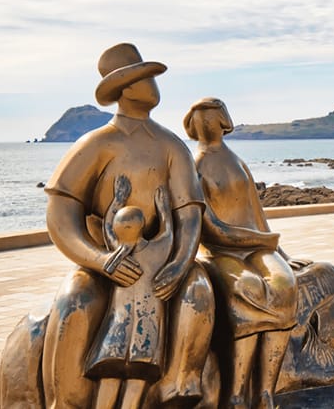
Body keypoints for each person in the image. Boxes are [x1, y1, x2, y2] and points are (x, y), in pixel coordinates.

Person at [41, 43, 214, 409]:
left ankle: (180, 387)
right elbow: (60, 212)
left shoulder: (171, 146)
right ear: (126, 88)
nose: (153, 84)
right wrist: (100, 260)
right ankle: (67, 400)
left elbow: (188, 212)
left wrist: (181, 261)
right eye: (145, 77)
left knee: (198, 290)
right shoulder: (96, 144)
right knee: (74, 301)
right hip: (105, 261)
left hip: (160, 259)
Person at [184, 97, 299, 409]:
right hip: (221, 252)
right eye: (202, 118)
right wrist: (260, 239)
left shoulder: (236, 161)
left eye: (212, 116)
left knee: (284, 285)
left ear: (223, 121)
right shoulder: (194, 166)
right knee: (246, 288)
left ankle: (265, 392)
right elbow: (209, 227)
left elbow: (257, 213)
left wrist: (282, 254)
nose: (208, 123)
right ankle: (235, 394)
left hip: (257, 247)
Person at [84, 183, 174, 409]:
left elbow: (106, 226)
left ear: (118, 229)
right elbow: (169, 232)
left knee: (109, 377)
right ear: (142, 225)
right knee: (137, 381)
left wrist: (118, 199)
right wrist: (163, 210)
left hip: (116, 334)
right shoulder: (158, 251)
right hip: (147, 337)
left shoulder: (116, 253)